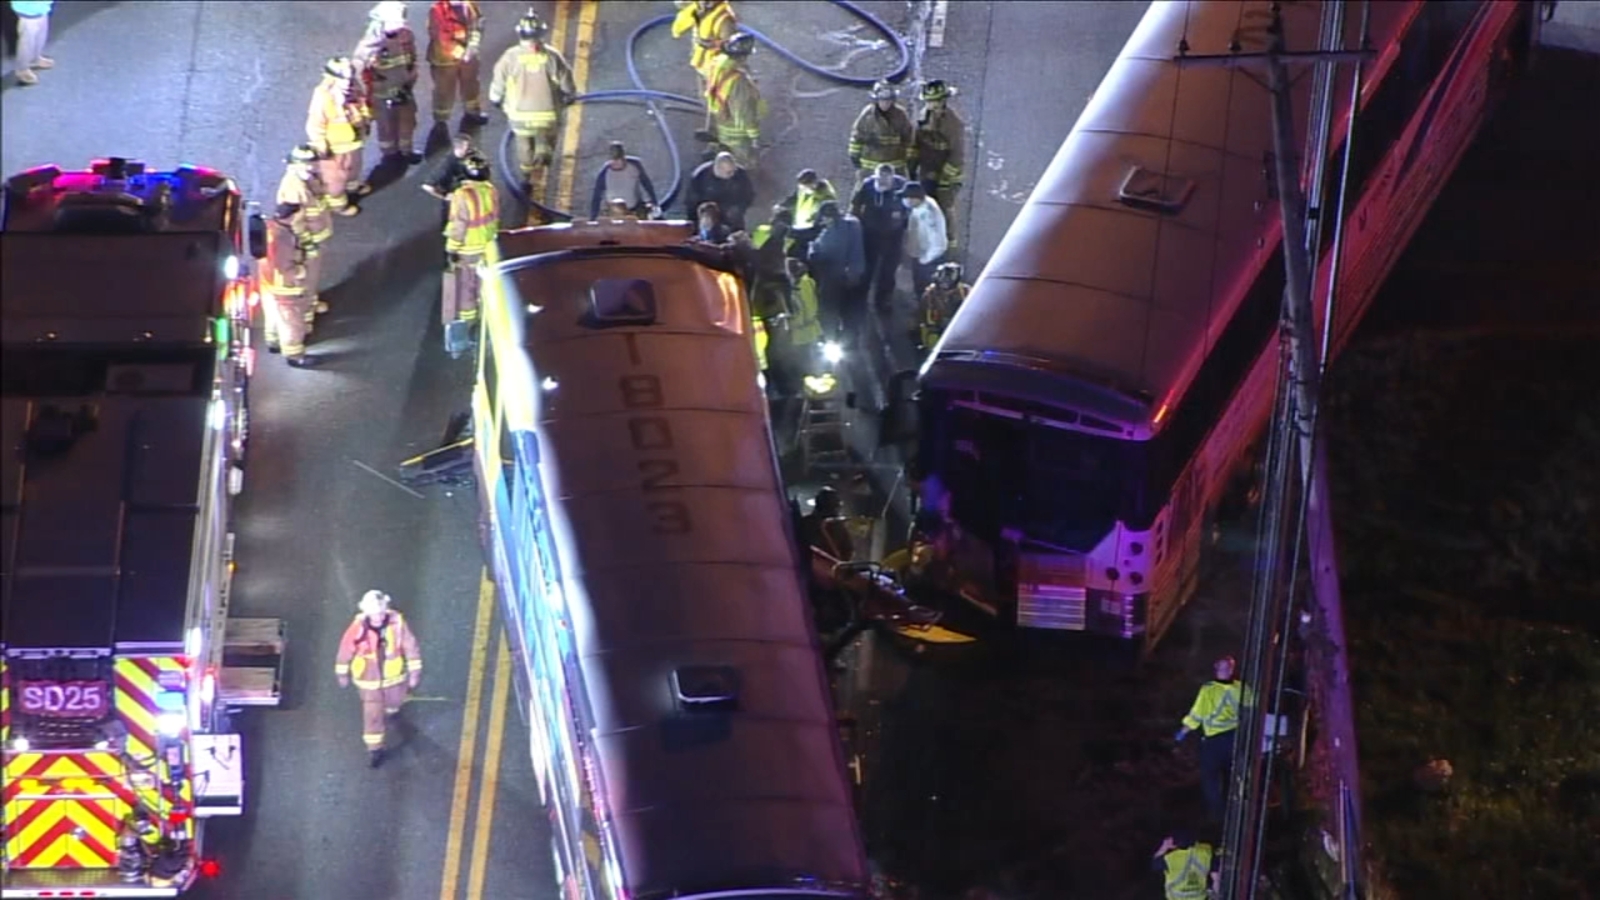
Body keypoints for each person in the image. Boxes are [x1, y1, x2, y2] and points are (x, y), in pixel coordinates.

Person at [489, 10, 575, 194]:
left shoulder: (509, 57)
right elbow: (567, 84)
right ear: (541, 34)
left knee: (524, 144)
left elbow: (498, 85)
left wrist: (495, 99)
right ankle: (544, 153)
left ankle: (526, 176)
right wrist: (570, 95)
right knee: (548, 137)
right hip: (548, 115)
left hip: (520, 116)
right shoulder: (553, 56)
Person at [335, 590, 424, 768]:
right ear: (367, 612)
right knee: (373, 715)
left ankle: (392, 710)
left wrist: (415, 673)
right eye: (375, 614)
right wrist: (342, 674)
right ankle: (375, 749)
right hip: (369, 680)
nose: (378, 617)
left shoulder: (397, 622)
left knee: (395, 702)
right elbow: (345, 650)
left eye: (381, 612)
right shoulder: (358, 627)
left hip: (394, 677)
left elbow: (410, 646)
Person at [442, 151, 498, 354]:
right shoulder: (491, 190)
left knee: (467, 288)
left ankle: (468, 326)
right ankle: (488, 321)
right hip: (489, 246)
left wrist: (451, 248)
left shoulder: (461, 195)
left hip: (468, 249)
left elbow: (458, 225)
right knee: (487, 284)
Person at [354, 1, 422, 164]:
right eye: (394, 22)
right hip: (382, 93)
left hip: (404, 89)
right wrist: (368, 92)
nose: (398, 26)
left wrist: (411, 77)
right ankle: (389, 153)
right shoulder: (370, 44)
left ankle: (406, 149)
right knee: (386, 125)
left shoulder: (406, 34)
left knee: (408, 121)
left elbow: (412, 58)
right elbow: (358, 70)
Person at [1175, 655, 1242, 821]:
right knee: (1231, 775)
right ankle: (1231, 810)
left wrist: (1182, 733)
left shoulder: (1209, 690)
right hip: (1235, 738)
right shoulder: (1242, 689)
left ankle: (1219, 814)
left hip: (1215, 741)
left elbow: (1196, 715)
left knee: (1210, 778)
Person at [306, 56, 373, 215]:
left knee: (354, 167)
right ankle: (338, 204)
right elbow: (315, 122)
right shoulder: (324, 95)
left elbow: (362, 103)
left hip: (354, 140)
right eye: (344, 78)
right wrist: (320, 143)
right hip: (335, 146)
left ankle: (352, 187)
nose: (348, 82)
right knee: (335, 177)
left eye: (350, 77)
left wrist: (365, 120)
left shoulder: (354, 87)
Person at [276, 145, 336, 320]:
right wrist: (307, 243)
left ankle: (311, 302)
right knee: (307, 277)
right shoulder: (293, 187)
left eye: (313, 162)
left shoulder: (308, 178)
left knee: (313, 275)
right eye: (307, 163)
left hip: (317, 234)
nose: (312, 166)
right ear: (295, 164)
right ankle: (306, 312)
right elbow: (295, 221)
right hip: (307, 240)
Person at [910, 79, 967, 249]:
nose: (931, 105)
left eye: (935, 101)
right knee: (925, 205)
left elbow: (957, 155)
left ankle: (950, 244)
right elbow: (916, 144)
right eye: (928, 101)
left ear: (943, 101)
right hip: (927, 172)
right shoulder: (923, 117)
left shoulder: (953, 124)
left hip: (948, 175)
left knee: (944, 207)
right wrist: (911, 167)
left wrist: (944, 179)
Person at [259, 209, 316, 368]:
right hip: (285, 287)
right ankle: (294, 355)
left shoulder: (270, 228)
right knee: (292, 321)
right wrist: (302, 270)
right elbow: (285, 268)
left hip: (268, 281)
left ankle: (273, 341)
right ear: (291, 216)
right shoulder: (282, 239)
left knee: (273, 314)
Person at [702, 32, 764, 169]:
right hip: (735, 131)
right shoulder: (738, 82)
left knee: (723, 150)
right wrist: (754, 136)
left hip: (719, 118)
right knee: (743, 163)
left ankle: (718, 156)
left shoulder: (717, 64)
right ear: (742, 56)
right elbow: (743, 111)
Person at [851, 163, 909, 309]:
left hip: (894, 234)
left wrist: (906, 226)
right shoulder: (867, 185)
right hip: (870, 232)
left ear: (892, 178)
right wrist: (854, 224)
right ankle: (860, 296)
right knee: (868, 266)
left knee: (889, 268)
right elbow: (855, 205)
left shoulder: (902, 186)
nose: (882, 183)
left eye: (885, 180)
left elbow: (910, 209)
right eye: (879, 179)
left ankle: (884, 298)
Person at [805, 200, 865, 339]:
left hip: (834, 277)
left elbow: (818, 254)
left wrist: (811, 246)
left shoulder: (832, 234)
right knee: (849, 311)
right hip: (854, 274)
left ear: (829, 217)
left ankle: (831, 338)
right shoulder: (853, 223)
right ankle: (851, 338)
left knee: (829, 310)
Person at [427, 0, 485, 127]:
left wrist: (474, 45)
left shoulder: (470, 4)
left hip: (468, 54)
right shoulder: (437, 9)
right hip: (445, 60)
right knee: (444, 90)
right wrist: (462, 53)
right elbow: (441, 37)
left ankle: (472, 112)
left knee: (471, 84)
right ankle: (441, 121)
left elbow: (478, 23)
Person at [848, 80, 914, 187]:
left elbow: (908, 137)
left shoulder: (900, 115)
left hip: (895, 166)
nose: (885, 104)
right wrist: (854, 154)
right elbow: (857, 136)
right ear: (876, 100)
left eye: (888, 100)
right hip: (869, 167)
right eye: (882, 100)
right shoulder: (867, 115)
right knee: (864, 191)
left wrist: (910, 157)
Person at [670, 0, 738, 92]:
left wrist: (714, 44)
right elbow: (680, 24)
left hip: (716, 68)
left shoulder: (724, 20)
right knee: (703, 90)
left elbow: (731, 47)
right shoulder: (698, 9)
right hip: (702, 64)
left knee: (718, 94)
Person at [682, 151, 754, 231]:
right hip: (707, 217)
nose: (731, 174)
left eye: (733, 171)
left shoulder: (741, 175)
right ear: (718, 168)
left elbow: (748, 195)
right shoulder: (701, 176)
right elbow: (691, 202)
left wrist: (739, 209)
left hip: (732, 217)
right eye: (728, 172)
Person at [901, 183, 948, 301]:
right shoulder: (921, 204)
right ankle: (921, 306)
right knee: (919, 288)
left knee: (927, 291)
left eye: (907, 198)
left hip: (929, 259)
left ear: (915, 199)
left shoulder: (929, 215)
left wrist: (925, 260)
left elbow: (939, 244)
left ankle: (927, 310)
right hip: (920, 254)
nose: (905, 201)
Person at [589, 141, 659, 219]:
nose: (616, 164)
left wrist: (655, 203)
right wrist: (593, 217)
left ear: (623, 158)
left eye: (619, 161)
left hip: (635, 210)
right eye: (614, 161)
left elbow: (647, 184)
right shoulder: (605, 172)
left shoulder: (634, 166)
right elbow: (597, 195)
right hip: (615, 213)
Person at [777, 168, 839, 254]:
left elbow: (825, 213)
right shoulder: (803, 190)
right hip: (801, 227)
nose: (802, 188)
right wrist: (782, 205)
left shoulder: (825, 195)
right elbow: (794, 198)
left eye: (805, 185)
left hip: (814, 230)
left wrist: (814, 218)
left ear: (813, 183)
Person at [1152, 831, 1219, 900]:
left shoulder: (1169, 858)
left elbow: (1155, 863)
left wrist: (1164, 846)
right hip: (1200, 898)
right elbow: (1216, 879)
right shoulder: (1206, 852)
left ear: (1173, 844)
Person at [918, 261, 968, 352]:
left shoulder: (966, 292)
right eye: (943, 277)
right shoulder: (929, 294)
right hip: (936, 331)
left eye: (949, 278)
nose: (945, 282)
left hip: (960, 330)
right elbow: (922, 316)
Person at [798, 486, 854, 562]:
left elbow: (848, 550)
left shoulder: (806, 522)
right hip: (819, 565)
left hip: (829, 566)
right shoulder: (835, 524)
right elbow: (848, 550)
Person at [10, 1, 54, 86]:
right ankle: (22, 70)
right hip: (28, 9)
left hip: (41, 7)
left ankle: (34, 59)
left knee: (41, 34)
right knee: (28, 41)